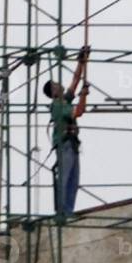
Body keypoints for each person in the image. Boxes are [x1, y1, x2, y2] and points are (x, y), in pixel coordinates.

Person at [42, 46, 90, 215]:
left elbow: (75, 81)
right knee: (66, 178)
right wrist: (83, 96)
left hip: (72, 144)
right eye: (56, 85)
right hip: (65, 145)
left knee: (74, 180)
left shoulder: (65, 100)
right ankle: (62, 211)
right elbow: (78, 112)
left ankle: (68, 211)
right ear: (53, 92)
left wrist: (81, 62)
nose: (59, 84)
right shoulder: (57, 105)